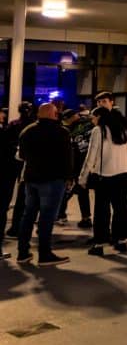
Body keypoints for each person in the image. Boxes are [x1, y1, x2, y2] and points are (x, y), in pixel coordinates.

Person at [15, 103, 74, 266]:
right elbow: (67, 157)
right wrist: (69, 177)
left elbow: (22, 155)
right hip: (53, 179)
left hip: (31, 179)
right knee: (47, 218)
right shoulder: (62, 132)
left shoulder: (27, 131)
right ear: (53, 114)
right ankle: (45, 253)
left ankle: (22, 252)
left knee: (28, 215)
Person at [79, 106, 127, 256]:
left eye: (93, 118)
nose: (92, 120)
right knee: (121, 208)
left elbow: (91, 156)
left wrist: (83, 176)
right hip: (122, 175)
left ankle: (99, 243)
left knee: (101, 210)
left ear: (100, 117)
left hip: (104, 176)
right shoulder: (121, 129)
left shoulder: (99, 131)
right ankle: (121, 241)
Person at [2, 102, 34, 245]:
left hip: (11, 162)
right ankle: (17, 226)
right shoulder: (33, 126)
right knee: (23, 196)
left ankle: (14, 227)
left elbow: (4, 142)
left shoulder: (13, 124)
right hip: (26, 162)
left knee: (7, 194)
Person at [57, 109, 92, 228]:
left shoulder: (67, 130)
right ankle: (86, 218)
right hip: (88, 164)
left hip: (75, 166)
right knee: (82, 191)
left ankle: (61, 214)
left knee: (68, 192)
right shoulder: (90, 124)